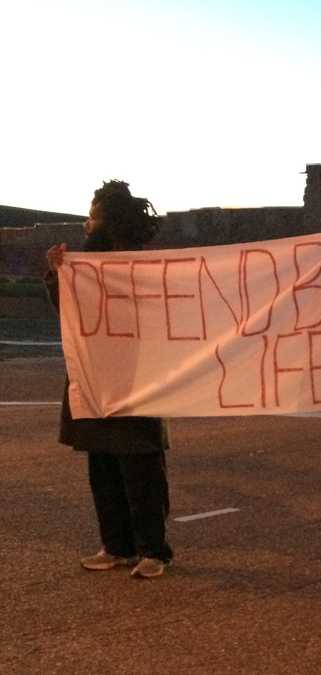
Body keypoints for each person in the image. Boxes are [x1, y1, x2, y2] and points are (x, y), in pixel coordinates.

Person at [45, 180, 174, 579]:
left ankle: (154, 550)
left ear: (108, 218)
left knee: (140, 470)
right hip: (96, 380)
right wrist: (58, 276)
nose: (87, 222)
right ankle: (116, 546)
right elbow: (72, 316)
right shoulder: (85, 265)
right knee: (103, 468)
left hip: (133, 382)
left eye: (93, 213)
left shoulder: (136, 264)